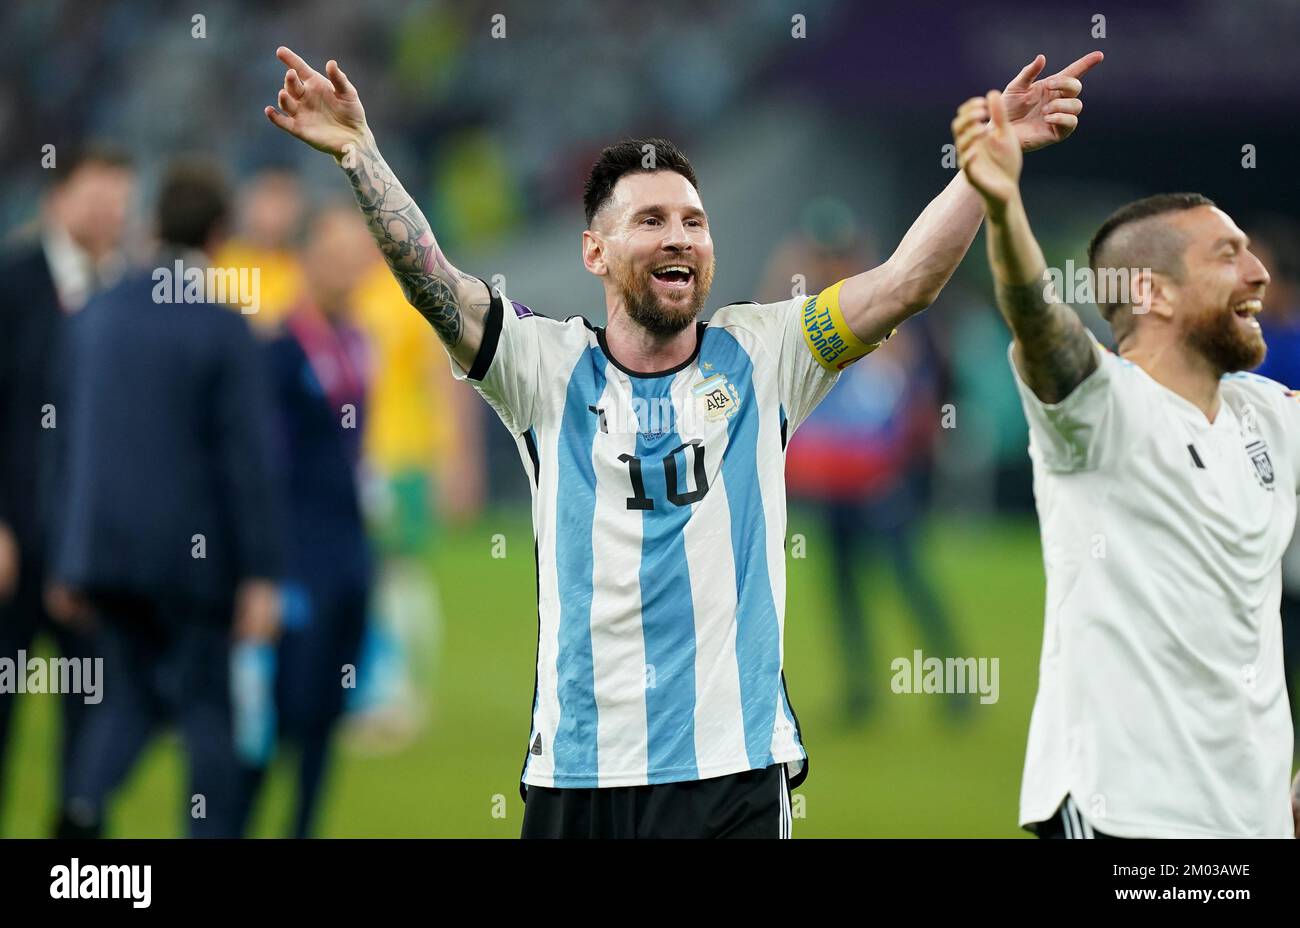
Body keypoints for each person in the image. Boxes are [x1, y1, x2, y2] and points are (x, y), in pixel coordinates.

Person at [265, 45, 1101, 838]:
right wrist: (357, 152)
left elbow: (906, 282)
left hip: (731, 771)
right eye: (652, 219)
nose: (680, 236)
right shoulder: (543, 366)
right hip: (578, 773)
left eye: (694, 221)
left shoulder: (769, 351)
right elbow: (431, 279)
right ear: (594, 249)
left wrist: (987, 171)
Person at [952, 85, 1300, 837]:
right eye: (1228, 255)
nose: (1260, 275)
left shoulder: (1270, 419)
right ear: (1152, 292)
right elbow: (1041, 324)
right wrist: (1005, 209)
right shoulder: (1102, 411)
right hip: (1126, 817)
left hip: (1254, 823)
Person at [49, 161, 282, 837]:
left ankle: (83, 805)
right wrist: (262, 572)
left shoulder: (95, 312)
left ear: (153, 226)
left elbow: (64, 441)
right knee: (208, 710)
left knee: (126, 698)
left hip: (104, 552)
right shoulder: (221, 326)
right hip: (193, 561)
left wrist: (69, 553)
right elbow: (248, 462)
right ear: (217, 237)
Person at [0, 144, 134, 833]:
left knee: (94, 730)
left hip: (95, 553)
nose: (112, 209)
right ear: (56, 197)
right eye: (97, 193)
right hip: (14, 547)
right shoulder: (12, 282)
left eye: (121, 196)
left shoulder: (129, 294)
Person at [240, 207, 373, 837]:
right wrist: (264, 567)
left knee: (328, 713)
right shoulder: (278, 349)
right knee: (278, 715)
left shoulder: (358, 341)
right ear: (306, 257)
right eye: (338, 249)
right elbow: (263, 470)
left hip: (350, 554)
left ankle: (302, 829)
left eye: (359, 250)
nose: (352, 263)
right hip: (295, 557)